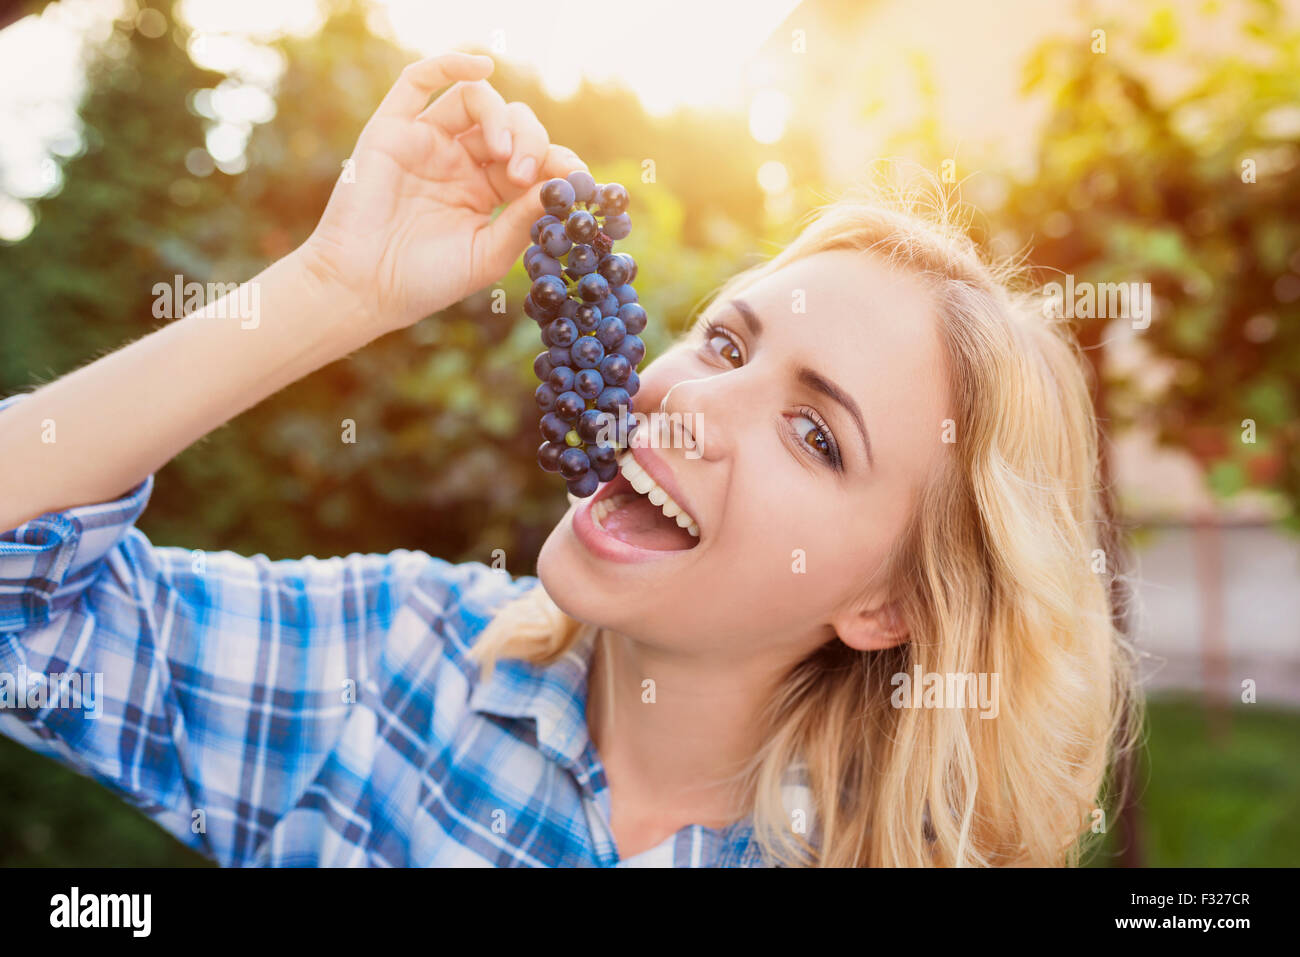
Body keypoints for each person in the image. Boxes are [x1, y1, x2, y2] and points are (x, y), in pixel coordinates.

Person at [0, 51, 1141, 867]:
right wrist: (329, 292)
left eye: (815, 434)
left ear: (889, 604)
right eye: (727, 341)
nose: (688, 400)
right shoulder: (386, 662)